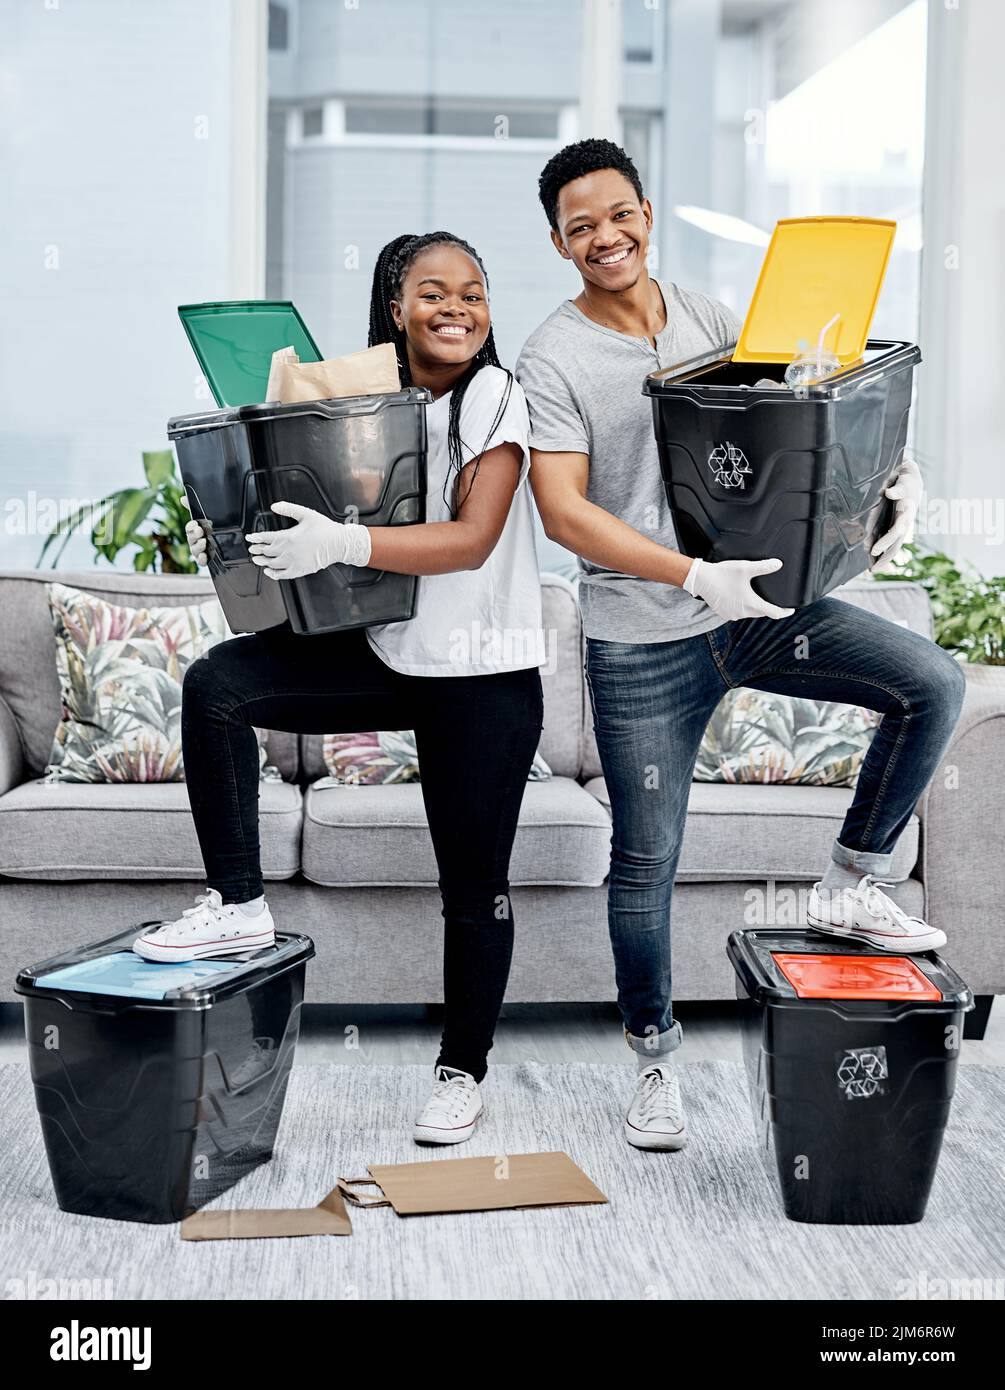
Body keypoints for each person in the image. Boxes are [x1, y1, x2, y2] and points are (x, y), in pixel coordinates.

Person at [515, 139, 965, 1153]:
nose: (605, 236)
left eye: (617, 214)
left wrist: (887, 486)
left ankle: (853, 880)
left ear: (646, 213)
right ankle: (654, 1061)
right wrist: (687, 574)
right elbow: (565, 514)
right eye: (581, 225)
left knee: (931, 679)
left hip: (754, 608)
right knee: (646, 858)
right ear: (559, 242)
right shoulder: (553, 356)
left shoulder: (711, 319)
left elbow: (802, 418)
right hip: (643, 641)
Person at [135, 232, 546, 1145]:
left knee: (472, 888)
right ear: (394, 307)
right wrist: (251, 543)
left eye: (473, 293)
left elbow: (472, 539)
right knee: (218, 685)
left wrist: (340, 543)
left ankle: (460, 1072)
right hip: (392, 654)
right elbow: (330, 544)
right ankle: (239, 903)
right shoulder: (363, 407)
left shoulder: (495, 397)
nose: (456, 309)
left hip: (482, 673)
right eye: (432, 292)